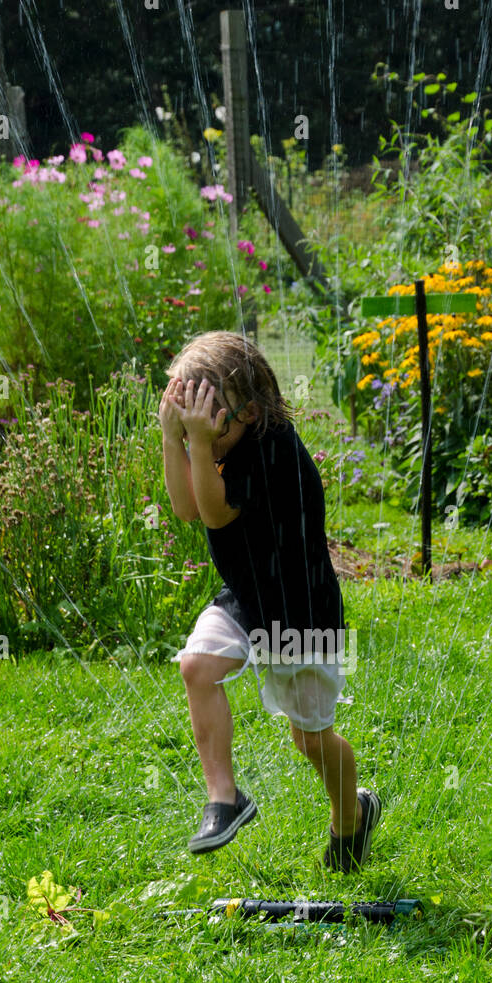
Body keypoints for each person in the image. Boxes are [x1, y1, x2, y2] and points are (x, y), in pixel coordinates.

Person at [159, 330, 381, 872]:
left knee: (310, 741)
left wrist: (198, 443)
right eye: (187, 409)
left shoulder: (273, 449)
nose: (198, 425)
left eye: (209, 415)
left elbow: (214, 515)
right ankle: (225, 799)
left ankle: (353, 814)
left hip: (301, 614)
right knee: (196, 665)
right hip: (247, 598)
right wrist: (175, 441)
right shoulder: (220, 441)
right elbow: (187, 510)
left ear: (251, 413)